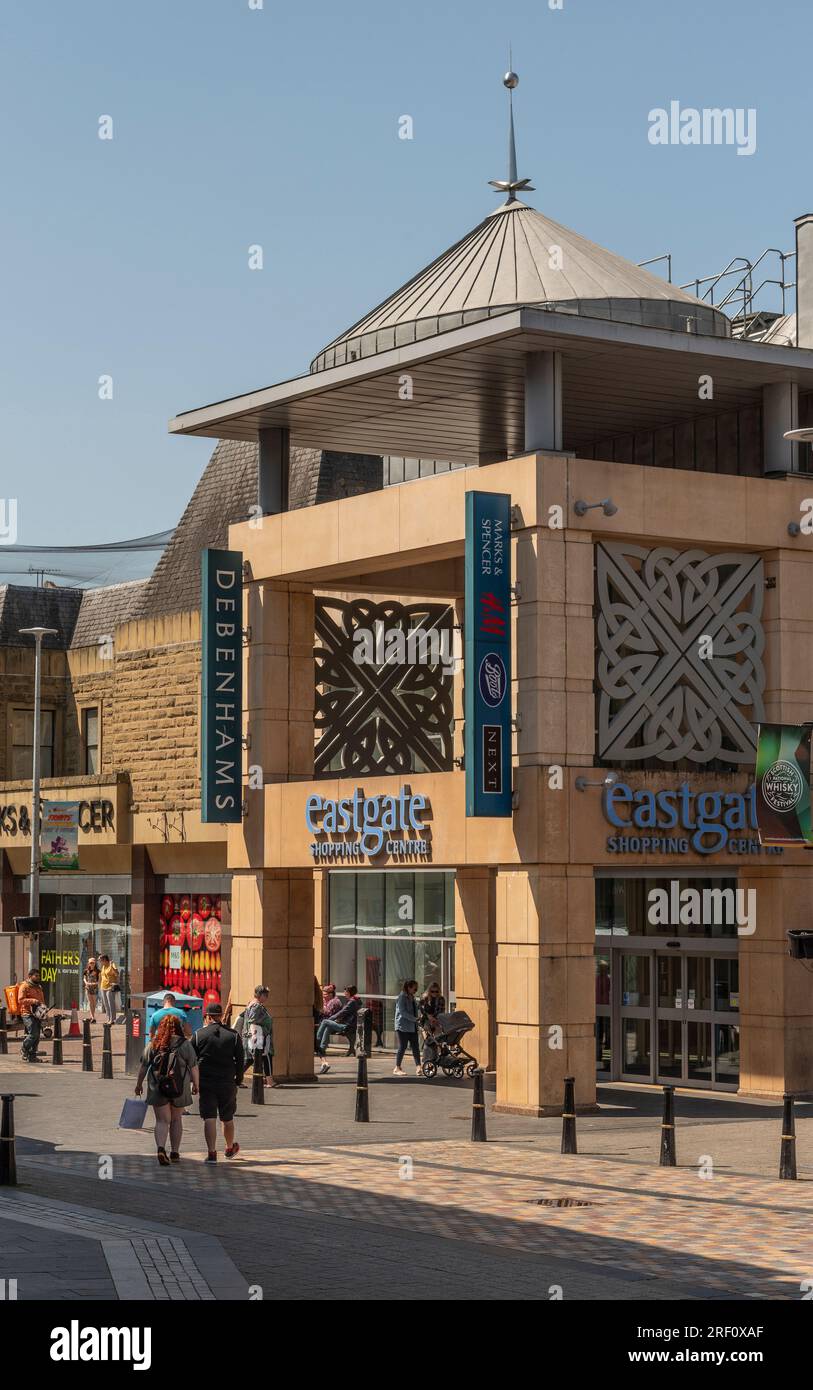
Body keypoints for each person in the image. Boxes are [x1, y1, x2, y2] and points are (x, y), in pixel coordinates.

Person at [134, 1014, 199, 1166]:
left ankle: (161, 1149)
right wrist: (196, 1084)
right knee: (176, 1119)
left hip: (158, 1086)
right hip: (179, 1087)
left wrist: (138, 1085)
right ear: (179, 1027)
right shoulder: (185, 1044)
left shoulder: (154, 1044)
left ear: (160, 1027)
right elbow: (194, 1066)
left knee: (162, 1121)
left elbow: (144, 1066)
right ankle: (175, 1152)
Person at [193, 1001, 245, 1162]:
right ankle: (229, 1148)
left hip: (206, 1081)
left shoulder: (198, 1035)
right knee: (227, 1117)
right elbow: (240, 1059)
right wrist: (238, 1079)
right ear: (221, 1016)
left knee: (209, 1117)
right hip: (227, 1081)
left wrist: (194, 1082)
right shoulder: (233, 1035)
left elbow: (192, 1060)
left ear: (207, 1017)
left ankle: (211, 1153)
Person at [316, 986, 362, 1074]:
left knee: (325, 1022)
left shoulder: (352, 1002)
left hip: (347, 1026)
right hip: (346, 1024)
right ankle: (322, 1048)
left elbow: (342, 1012)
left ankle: (317, 1040)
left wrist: (331, 1019)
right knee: (328, 1026)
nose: (344, 994)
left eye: (346, 992)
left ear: (349, 992)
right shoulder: (354, 1000)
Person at [242, 985, 277, 1088]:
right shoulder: (256, 1006)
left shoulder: (252, 1004)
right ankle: (270, 1081)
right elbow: (252, 1021)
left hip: (257, 1037)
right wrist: (253, 1035)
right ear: (260, 995)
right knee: (266, 1056)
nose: (267, 997)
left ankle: (236, 1078)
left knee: (249, 1059)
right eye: (265, 995)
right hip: (259, 1037)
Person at [18, 968, 46, 1063]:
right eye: (36, 976)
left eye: (39, 976)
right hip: (27, 1014)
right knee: (33, 1034)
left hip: (37, 1014)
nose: (38, 977)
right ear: (30, 976)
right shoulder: (24, 986)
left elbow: (42, 1000)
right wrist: (33, 1001)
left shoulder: (39, 987)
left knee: (37, 1036)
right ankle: (24, 1048)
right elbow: (20, 1000)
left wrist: (44, 1010)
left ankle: (32, 1056)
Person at [393, 979, 421, 1076]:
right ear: (408, 988)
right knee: (403, 1046)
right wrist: (415, 1019)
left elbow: (414, 1009)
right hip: (402, 1026)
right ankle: (397, 1067)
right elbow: (402, 1012)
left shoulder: (412, 997)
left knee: (415, 1047)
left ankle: (418, 1067)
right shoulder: (402, 997)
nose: (416, 991)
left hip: (412, 1026)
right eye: (414, 989)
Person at [98, 955, 120, 1024]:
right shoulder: (103, 966)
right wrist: (99, 985)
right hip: (103, 987)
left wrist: (112, 966)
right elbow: (102, 976)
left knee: (111, 1003)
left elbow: (117, 973)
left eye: (100, 960)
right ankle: (108, 1018)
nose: (99, 962)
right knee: (106, 1004)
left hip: (110, 987)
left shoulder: (111, 964)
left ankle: (112, 1019)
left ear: (104, 959)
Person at [82, 957, 100, 1023]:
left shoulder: (98, 971)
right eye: (90, 963)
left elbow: (99, 981)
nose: (92, 964)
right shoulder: (86, 971)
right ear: (88, 963)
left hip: (94, 988)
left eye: (93, 963)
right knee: (90, 1002)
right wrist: (86, 982)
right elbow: (84, 978)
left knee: (94, 1003)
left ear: (95, 963)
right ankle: (92, 1016)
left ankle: (92, 1015)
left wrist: (94, 983)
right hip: (88, 988)